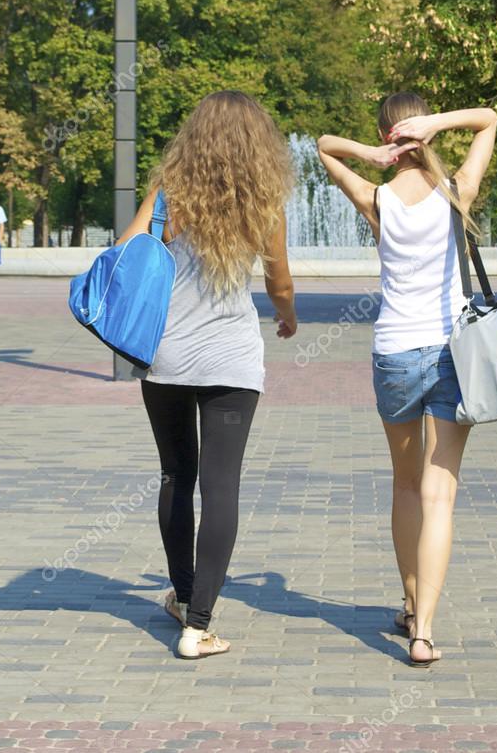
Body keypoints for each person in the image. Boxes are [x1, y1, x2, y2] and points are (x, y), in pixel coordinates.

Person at [115, 91, 297, 659]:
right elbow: (279, 281)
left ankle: (184, 594)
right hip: (231, 363)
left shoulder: (168, 196)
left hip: (164, 357)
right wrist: (286, 315)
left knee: (176, 476)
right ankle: (199, 623)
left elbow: (125, 253)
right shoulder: (263, 203)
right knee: (223, 488)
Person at [317, 93, 497, 666]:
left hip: (394, 353)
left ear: (386, 137)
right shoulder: (455, 193)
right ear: (424, 134)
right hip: (452, 354)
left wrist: (375, 153)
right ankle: (423, 633)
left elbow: (322, 145)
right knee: (438, 493)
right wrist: (437, 126)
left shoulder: (375, 198)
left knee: (404, 485)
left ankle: (413, 605)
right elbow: (489, 119)